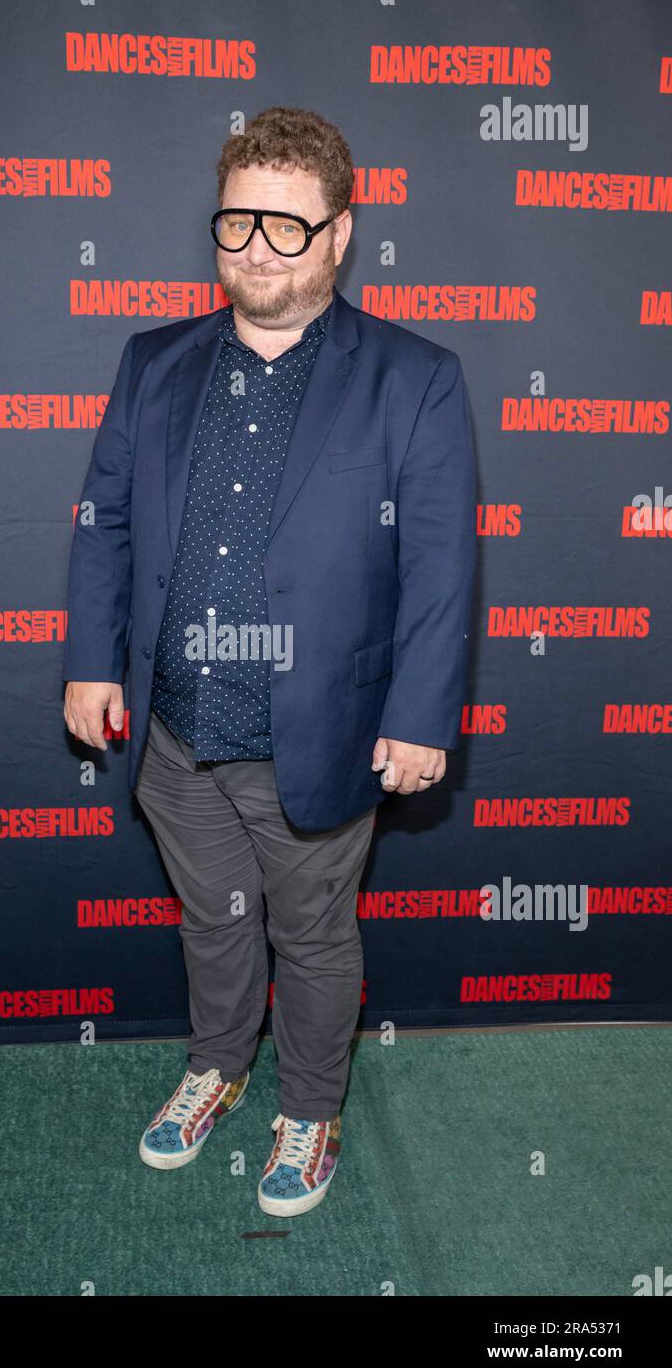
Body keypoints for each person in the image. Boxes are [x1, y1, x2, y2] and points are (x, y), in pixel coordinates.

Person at [62, 106, 477, 1217]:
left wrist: (423, 715)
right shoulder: (152, 360)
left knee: (311, 931)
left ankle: (309, 1105)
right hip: (172, 727)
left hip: (318, 730)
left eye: (287, 227)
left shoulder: (414, 376)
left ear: (340, 234)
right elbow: (104, 520)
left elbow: (440, 566)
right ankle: (217, 1063)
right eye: (237, 221)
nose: (256, 247)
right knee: (211, 920)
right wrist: (90, 662)